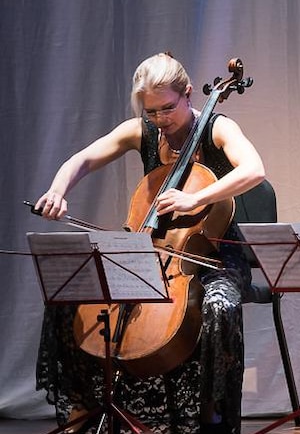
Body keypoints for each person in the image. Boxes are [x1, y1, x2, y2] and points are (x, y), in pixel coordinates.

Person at [33, 52, 267, 434]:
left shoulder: (217, 128)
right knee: (71, 296)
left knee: (218, 306)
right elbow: (84, 159)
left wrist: (197, 199)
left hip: (216, 255)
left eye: (167, 109)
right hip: (152, 249)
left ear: (188, 94)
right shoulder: (141, 131)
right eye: (151, 111)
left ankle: (210, 414)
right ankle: (84, 406)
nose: (159, 119)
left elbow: (255, 170)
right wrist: (58, 190)